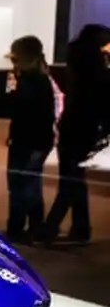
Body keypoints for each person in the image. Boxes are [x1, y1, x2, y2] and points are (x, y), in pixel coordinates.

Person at [43, 24, 110, 243]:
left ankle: (53, 228)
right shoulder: (98, 73)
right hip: (85, 128)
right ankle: (76, 228)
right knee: (74, 179)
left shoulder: (79, 68)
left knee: (71, 180)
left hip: (73, 126)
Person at [4, 35, 57, 243]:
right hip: (22, 140)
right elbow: (15, 110)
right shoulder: (24, 79)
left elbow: (39, 116)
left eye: (16, 60)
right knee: (18, 184)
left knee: (28, 186)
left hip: (33, 142)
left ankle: (32, 227)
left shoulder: (38, 82)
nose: (13, 64)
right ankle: (17, 226)